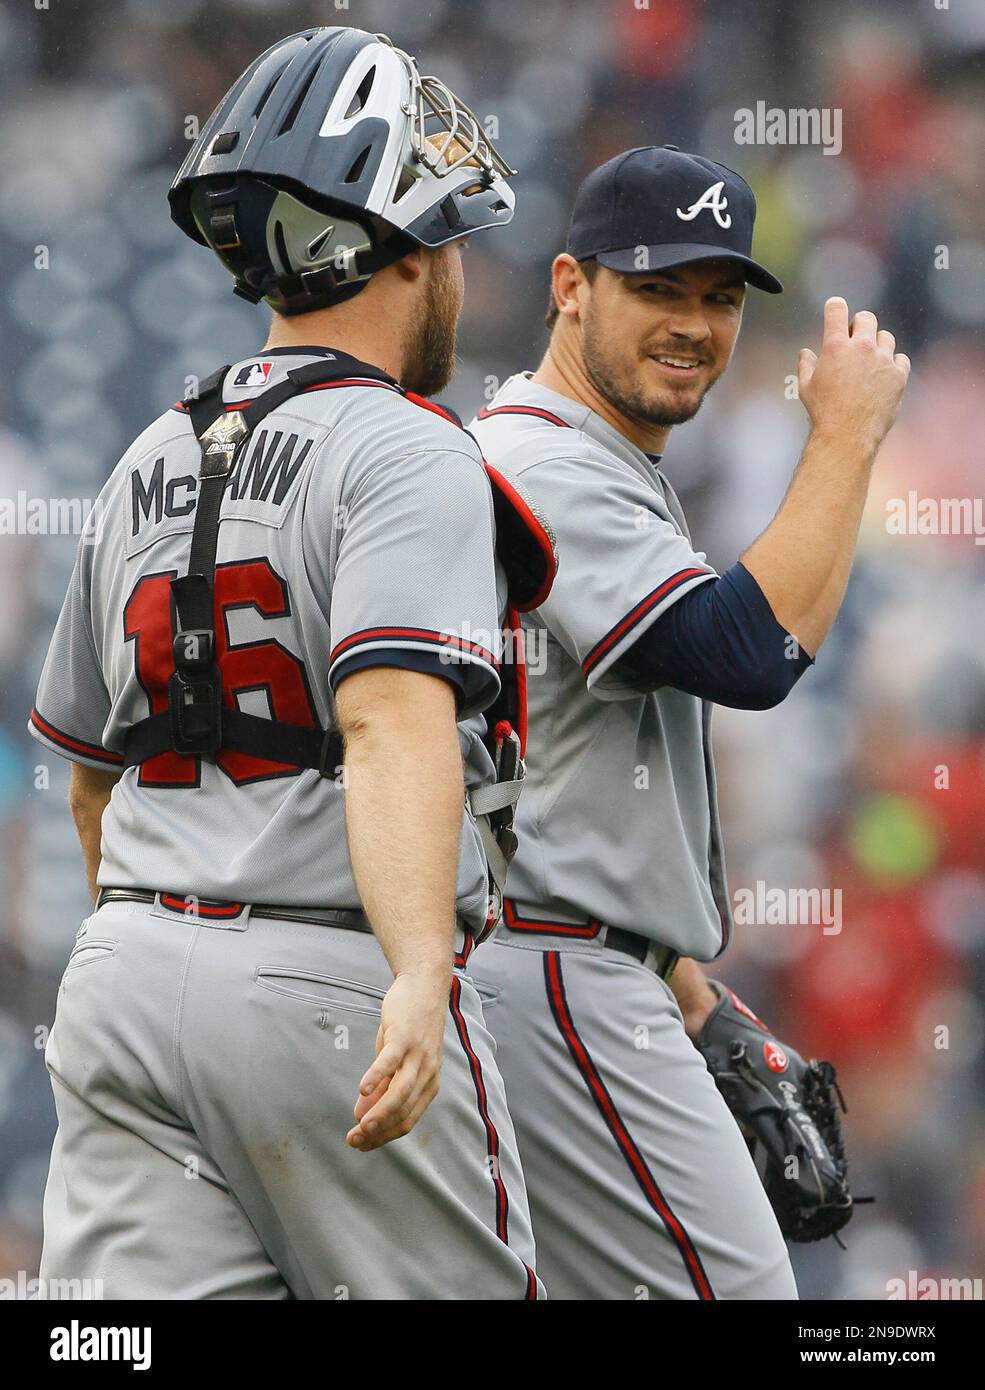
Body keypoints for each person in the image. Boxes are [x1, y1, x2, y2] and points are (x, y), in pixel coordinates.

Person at [29, 26, 552, 1301]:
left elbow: (94, 783)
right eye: (450, 240)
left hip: (123, 980)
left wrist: (165, 952)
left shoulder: (146, 449)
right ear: (401, 247)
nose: (459, 274)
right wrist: (420, 967)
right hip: (324, 979)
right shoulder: (409, 446)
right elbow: (386, 724)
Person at [468, 145, 910, 1300]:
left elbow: (558, 779)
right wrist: (847, 437)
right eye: (656, 287)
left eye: (717, 298)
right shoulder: (537, 456)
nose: (694, 324)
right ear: (570, 286)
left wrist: (681, 983)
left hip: (573, 958)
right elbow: (742, 653)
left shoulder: (588, 456)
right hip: (551, 972)